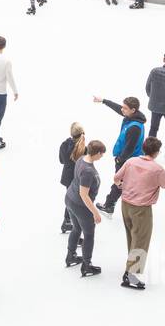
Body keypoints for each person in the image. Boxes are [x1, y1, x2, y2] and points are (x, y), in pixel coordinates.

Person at [114, 136, 165, 290]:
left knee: (132, 237)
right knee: (141, 241)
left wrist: (122, 185)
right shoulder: (156, 169)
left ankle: (130, 266)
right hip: (141, 209)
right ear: (156, 153)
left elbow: (116, 178)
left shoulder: (131, 162)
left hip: (125, 205)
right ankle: (131, 275)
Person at [92, 95, 147, 216]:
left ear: (133, 110)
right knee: (124, 183)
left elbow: (129, 147)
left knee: (119, 183)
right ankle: (115, 205)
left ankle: (109, 206)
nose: (122, 110)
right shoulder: (133, 117)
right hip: (128, 159)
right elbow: (119, 108)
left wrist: (119, 160)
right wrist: (104, 101)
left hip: (127, 160)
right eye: (123, 107)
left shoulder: (134, 127)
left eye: (125, 108)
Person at [64, 139, 107, 277]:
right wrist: (95, 213)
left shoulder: (82, 159)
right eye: (102, 154)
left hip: (70, 199)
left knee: (77, 228)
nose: (102, 156)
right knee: (89, 234)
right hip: (81, 206)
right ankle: (87, 265)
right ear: (97, 153)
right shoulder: (88, 171)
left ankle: (70, 256)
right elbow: (84, 195)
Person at [58, 122, 86, 234]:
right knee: (76, 201)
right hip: (78, 177)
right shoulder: (85, 148)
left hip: (67, 176)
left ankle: (68, 220)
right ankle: (70, 221)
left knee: (71, 199)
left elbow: (61, 160)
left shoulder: (64, 145)